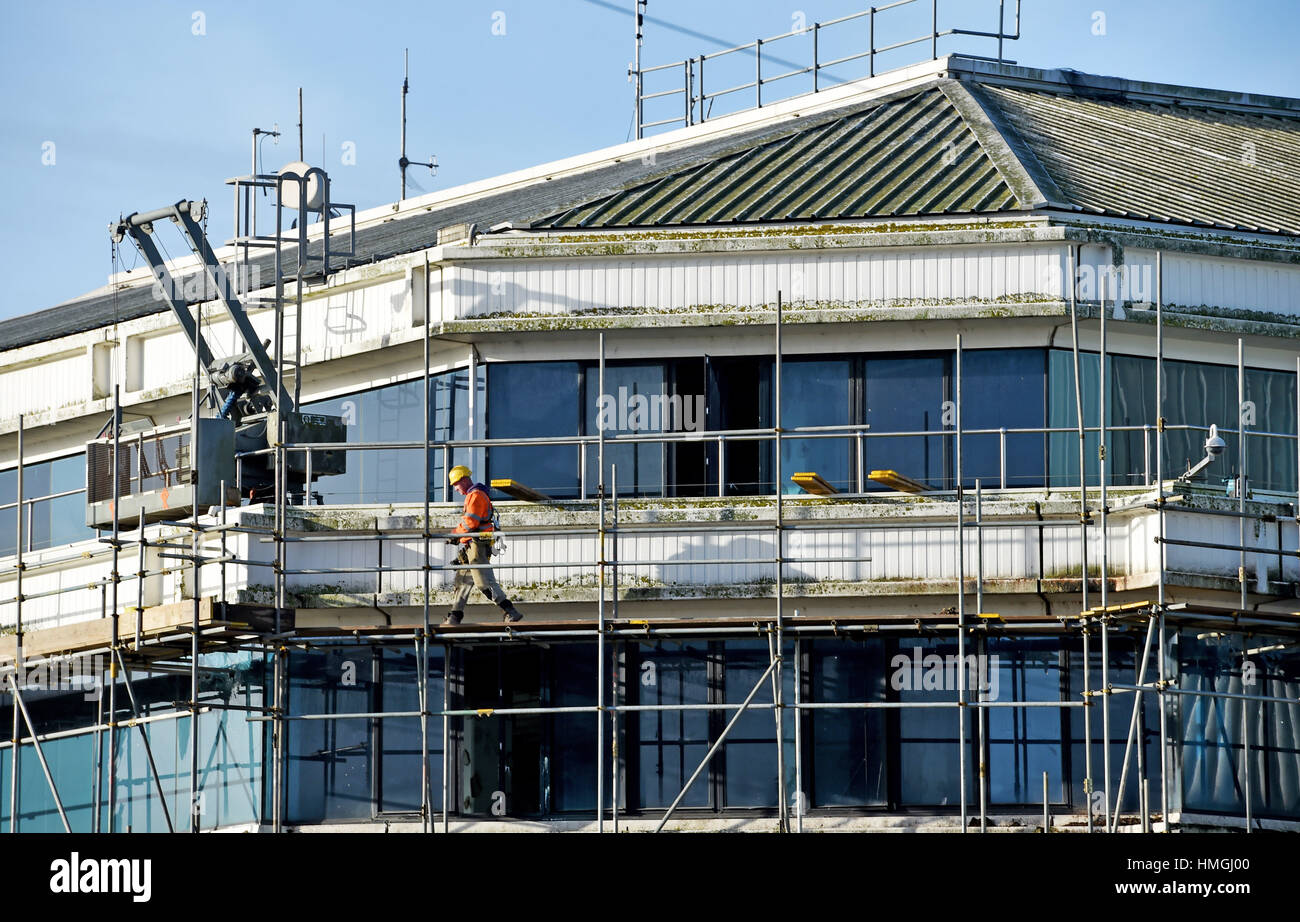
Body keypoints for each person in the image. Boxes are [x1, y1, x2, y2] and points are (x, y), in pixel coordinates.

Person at [444, 465, 523, 625]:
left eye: (456, 484)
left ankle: (510, 611)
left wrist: (455, 535)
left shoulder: (476, 496)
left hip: (477, 545)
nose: (456, 488)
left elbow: (470, 523)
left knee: (484, 582)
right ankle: (454, 616)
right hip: (471, 546)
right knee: (463, 581)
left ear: (464, 480)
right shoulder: (474, 495)